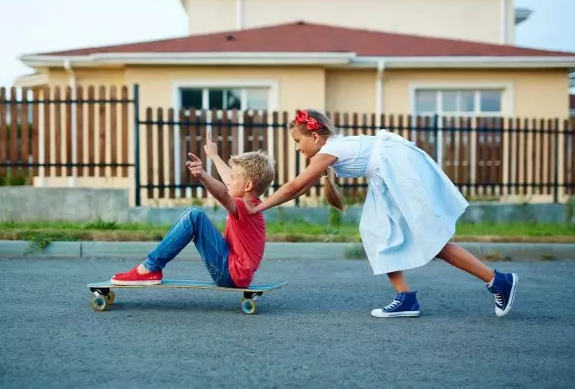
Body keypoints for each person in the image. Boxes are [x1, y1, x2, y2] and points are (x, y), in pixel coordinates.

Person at [249, 109, 518, 318]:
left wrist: (259, 206)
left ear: (315, 136)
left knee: (430, 238)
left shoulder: (330, 149)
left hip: (398, 170)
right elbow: (299, 189)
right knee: (378, 232)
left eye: (298, 141)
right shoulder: (333, 149)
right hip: (388, 174)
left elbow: (295, 186)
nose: (298, 148)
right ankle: (406, 297)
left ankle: (497, 280)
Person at [111, 134, 276, 288]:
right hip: (235, 272)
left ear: (247, 186)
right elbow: (229, 184)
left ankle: (149, 268)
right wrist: (214, 156)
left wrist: (203, 175)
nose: (229, 181)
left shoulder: (246, 208)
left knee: (194, 216)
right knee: (196, 215)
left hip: (230, 275)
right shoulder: (250, 204)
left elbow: (222, 194)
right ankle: (150, 267)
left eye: (234, 179)